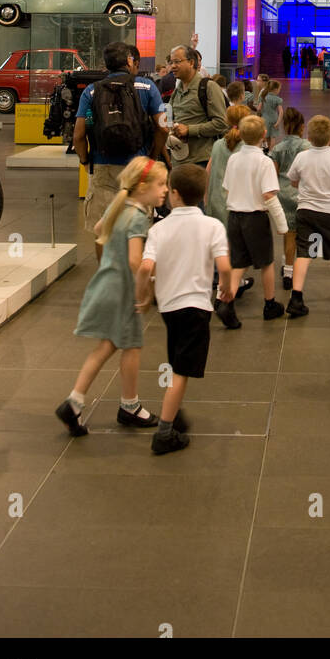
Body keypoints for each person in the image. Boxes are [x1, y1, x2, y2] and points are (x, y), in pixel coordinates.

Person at [55, 156, 169, 437]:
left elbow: (97, 231)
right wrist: (146, 289)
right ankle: (129, 406)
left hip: (105, 283)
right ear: (143, 187)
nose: (165, 190)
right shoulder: (139, 217)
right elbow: (136, 260)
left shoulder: (119, 208)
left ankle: (75, 401)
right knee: (131, 346)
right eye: (161, 184)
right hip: (124, 291)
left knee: (108, 346)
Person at [136, 163, 234, 455]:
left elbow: (145, 267)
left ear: (174, 194)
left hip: (168, 307)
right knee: (181, 371)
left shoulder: (159, 228)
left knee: (176, 359)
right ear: (204, 194)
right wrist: (226, 288)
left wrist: (142, 294)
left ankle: (174, 410)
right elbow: (225, 267)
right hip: (196, 307)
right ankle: (164, 432)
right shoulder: (213, 225)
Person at [73, 42, 168, 255]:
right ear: (129, 61)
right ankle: (135, 277)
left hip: (103, 166)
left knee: (103, 230)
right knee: (138, 229)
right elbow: (163, 128)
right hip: (139, 168)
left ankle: (106, 274)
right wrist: (151, 157)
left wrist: (85, 160)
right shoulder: (148, 87)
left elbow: (79, 134)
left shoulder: (91, 91)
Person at [220, 114, 288, 327]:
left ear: (239, 134)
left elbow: (227, 188)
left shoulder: (233, 158)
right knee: (266, 262)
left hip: (234, 216)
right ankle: (269, 304)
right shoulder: (264, 162)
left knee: (238, 263)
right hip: (255, 218)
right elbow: (269, 196)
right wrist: (282, 224)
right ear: (264, 134)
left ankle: (226, 303)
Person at [285, 114, 330, 317]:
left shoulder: (302, 157)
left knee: (304, 253)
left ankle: (296, 296)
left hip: (305, 211)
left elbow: (293, 181)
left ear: (309, 135)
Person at [269, 106, 309, 290]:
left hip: (283, 195)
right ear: (302, 127)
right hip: (301, 193)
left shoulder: (277, 148)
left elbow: (274, 174)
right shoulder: (306, 147)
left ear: (285, 127)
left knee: (288, 233)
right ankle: (294, 269)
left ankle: (287, 265)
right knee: (301, 234)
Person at [168, 45, 228, 167]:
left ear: (191, 62)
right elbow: (169, 118)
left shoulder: (209, 87)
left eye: (177, 62)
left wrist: (189, 130)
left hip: (201, 161)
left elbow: (222, 123)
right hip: (178, 160)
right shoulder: (176, 91)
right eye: (171, 62)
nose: (172, 66)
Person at [205, 104, 251, 228]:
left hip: (215, 202)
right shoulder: (246, 148)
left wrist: (206, 199)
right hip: (237, 207)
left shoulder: (217, 145)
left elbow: (208, 172)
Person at [260, 79, 284, 147]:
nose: (279, 91)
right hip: (274, 119)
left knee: (266, 135)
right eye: (279, 89)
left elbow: (259, 108)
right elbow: (281, 112)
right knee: (272, 137)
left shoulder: (264, 97)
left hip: (264, 119)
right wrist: (278, 122)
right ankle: (271, 151)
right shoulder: (278, 99)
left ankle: (266, 148)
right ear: (275, 89)